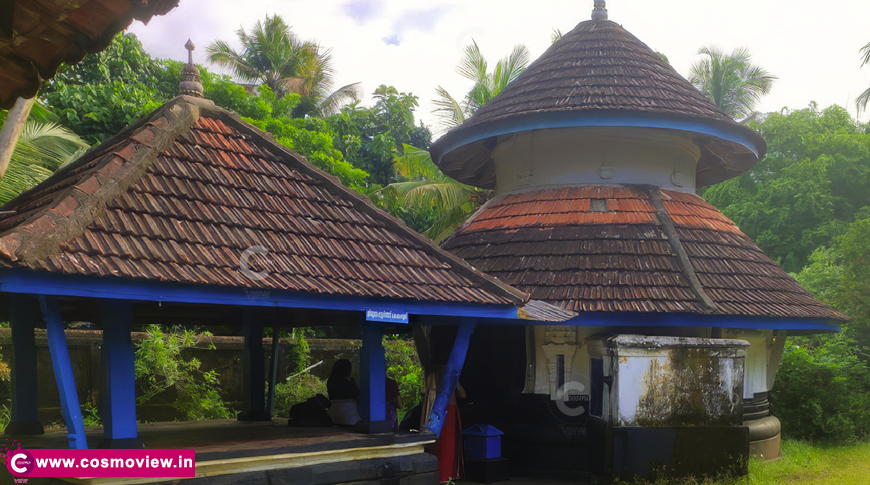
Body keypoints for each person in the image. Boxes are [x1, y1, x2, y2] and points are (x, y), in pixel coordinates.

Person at [421, 365, 466, 483]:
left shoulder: (452, 378)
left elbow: (463, 394)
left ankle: (448, 474)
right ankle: (439, 474)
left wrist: (455, 383)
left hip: (450, 412)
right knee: (439, 443)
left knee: (449, 444)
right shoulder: (433, 377)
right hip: (438, 412)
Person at [326, 359, 361, 425]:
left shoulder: (330, 382)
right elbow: (357, 397)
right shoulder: (348, 384)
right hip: (349, 417)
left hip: (334, 415)